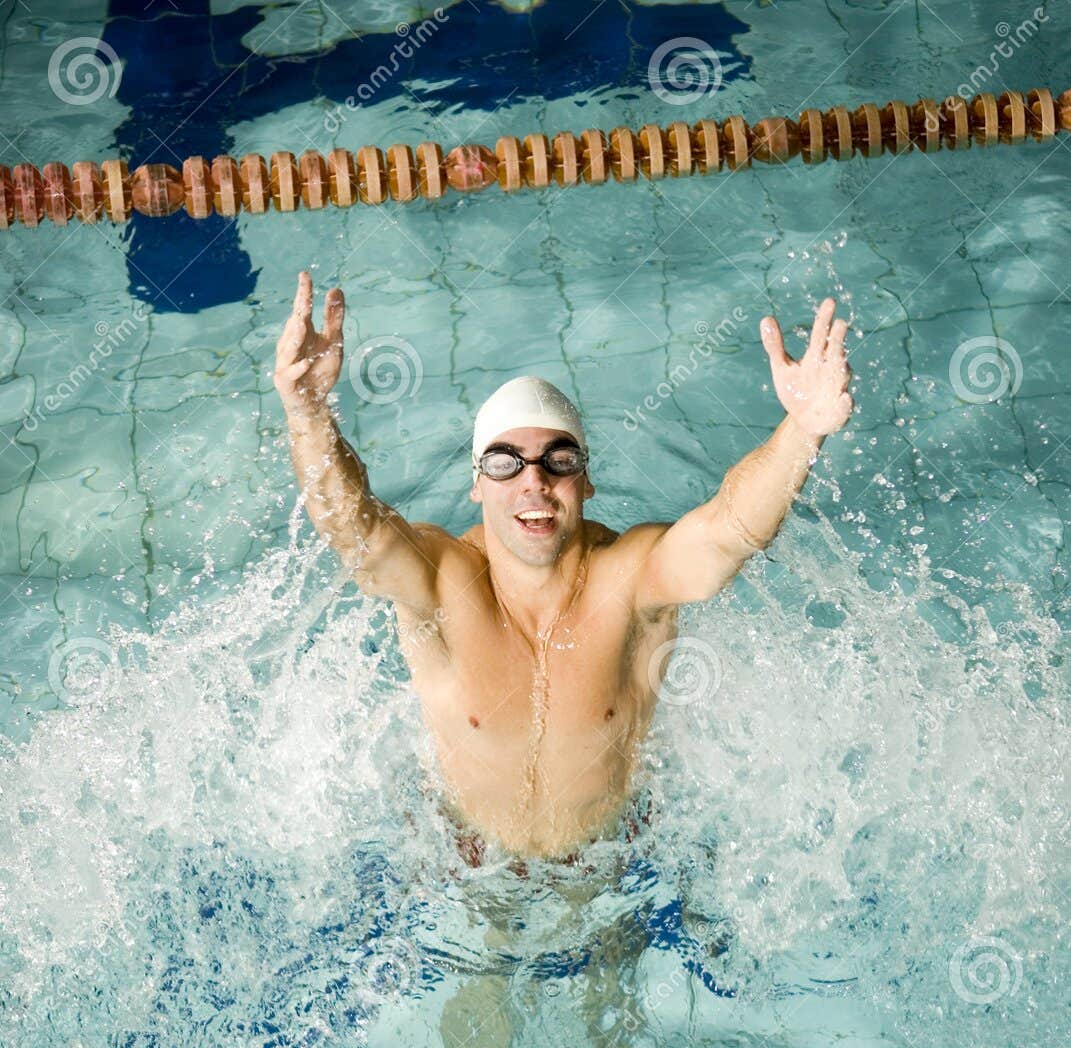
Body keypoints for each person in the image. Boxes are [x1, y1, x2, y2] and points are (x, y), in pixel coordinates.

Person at [274, 271, 853, 863]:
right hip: (472, 867)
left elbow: (728, 533)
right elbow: (358, 535)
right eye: (505, 463)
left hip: (603, 869)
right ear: (476, 484)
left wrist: (802, 429)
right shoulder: (445, 578)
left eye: (559, 459)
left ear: (587, 480)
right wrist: (308, 414)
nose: (534, 482)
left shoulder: (630, 577)